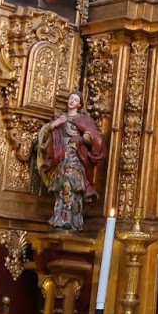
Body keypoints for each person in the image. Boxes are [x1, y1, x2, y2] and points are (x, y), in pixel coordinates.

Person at [36, 90, 107, 232]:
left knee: (74, 186)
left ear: (79, 104)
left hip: (76, 158)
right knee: (61, 187)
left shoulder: (84, 120)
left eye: (75, 99)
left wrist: (84, 139)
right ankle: (60, 218)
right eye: (70, 98)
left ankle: (73, 220)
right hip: (61, 157)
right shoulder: (60, 118)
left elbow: (95, 140)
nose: (72, 101)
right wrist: (53, 125)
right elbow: (44, 137)